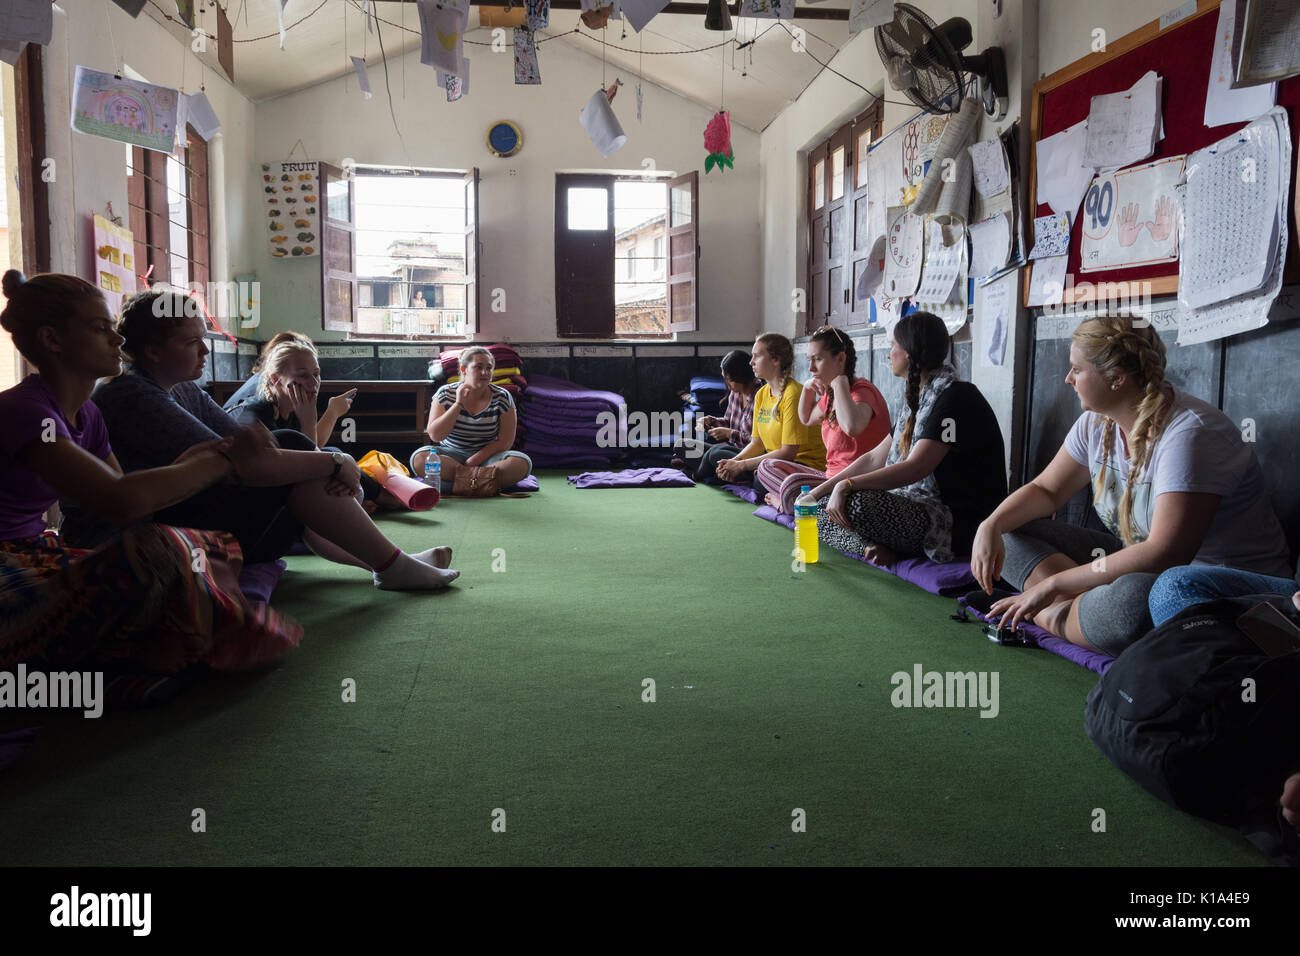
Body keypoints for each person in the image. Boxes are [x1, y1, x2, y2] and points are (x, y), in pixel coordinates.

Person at [61, 287, 459, 590]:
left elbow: (250, 446)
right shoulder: (133, 395)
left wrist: (315, 457)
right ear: (152, 351)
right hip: (157, 535)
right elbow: (245, 461)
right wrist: (337, 462)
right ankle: (390, 566)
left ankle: (388, 563)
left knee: (294, 453)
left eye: (203, 338)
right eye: (190, 342)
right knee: (298, 459)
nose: (204, 351)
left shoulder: (181, 388)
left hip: (194, 513)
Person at [0, 270, 299, 671]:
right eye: (99, 328)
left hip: (37, 554)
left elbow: (130, 500)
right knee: (153, 556)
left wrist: (197, 462)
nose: (118, 339)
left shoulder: (88, 414)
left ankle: (160, 648)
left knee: (206, 545)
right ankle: (160, 651)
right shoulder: (27, 412)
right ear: (52, 340)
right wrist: (222, 457)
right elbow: (121, 503)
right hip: (8, 570)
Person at [969, 314, 1291, 656]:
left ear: (1116, 379)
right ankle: (1076, 616)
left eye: (1077, 370)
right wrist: (990, 524)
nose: (1067, 379)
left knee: (1131, 602)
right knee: (1011, 532)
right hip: (1136, 569)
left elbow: (1164, 554)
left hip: (1207, 587)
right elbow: (1046, 491)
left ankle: (1044, 613)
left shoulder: (1190, 433)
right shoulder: (1094, 423)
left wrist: (1053, 584)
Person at [809, 311, 1006, 566]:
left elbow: (917, 467)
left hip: (955, 520)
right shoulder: (916, 398)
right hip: (915, 506)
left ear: (909, 353)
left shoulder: (956, 399)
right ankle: (872, 547)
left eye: (893, 346)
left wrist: (847, 485)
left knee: (856, 504)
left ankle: (881, 546)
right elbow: (872, 458)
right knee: (818, 509)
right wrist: (819, 491)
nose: (889, 354)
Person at [223, 338, 395, 511]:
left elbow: (314, 453)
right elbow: (307, 466)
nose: (314, 383)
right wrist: (309, 420)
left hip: (291, 487)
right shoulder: (257, 411)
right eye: (303, 375)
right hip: (253, 497)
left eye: (316, 373)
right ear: (276, 379)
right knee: (331, 458)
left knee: (334, 453)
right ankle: (372, 499)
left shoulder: (292, 407)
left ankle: (378, 496)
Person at [756, 325, 890, 513]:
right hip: (828, 478)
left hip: (855, 482)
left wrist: (840, 382)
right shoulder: (831, 394)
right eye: (809, 360)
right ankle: (799, 503)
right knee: (766, 467)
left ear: (841, 358)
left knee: (793, 484)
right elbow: (807, 418)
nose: (811, 368)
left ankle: (789, 505)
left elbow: (852, 427)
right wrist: (808, 388)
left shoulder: (863, 391)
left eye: (817, 360)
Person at [409, 346, 532, 492]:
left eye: (489, 368)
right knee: (420, 458)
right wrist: (458, 404)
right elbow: (436, 435)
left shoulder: (502, 396)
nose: (485, 372)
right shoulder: (445, 393)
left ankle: (455, 485)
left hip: (489, 458)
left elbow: (505, 441)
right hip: (452, 456)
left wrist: (474, 460)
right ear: (463, 369)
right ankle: (485, 483)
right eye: (478, 367)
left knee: (521, 463)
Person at [713, 333, 826, 488]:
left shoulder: (793, 393)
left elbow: (788, 453)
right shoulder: (761, 394)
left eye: (757, 356)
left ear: (776, 360)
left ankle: (751, 476)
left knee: (761, 477)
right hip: (771, 463)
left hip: (802, 466)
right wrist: (735, 462)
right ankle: (746, 475)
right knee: (718, 455)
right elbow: (757, 443)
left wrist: (742, 466)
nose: (751, 362)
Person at [690, 350, 761, 483]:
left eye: (729, 379)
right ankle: (716, 473)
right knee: (684, 445)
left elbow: (759, 443)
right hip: (729, 450)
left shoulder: (761, 396)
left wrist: (730, 434)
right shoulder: (735, 393)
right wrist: (712, 421)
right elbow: (729, 421)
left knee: (716, 452)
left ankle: (697, 475)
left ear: (742, 376)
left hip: (747, 458)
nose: (726, 384)